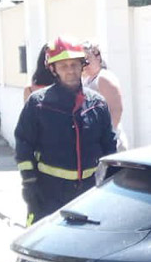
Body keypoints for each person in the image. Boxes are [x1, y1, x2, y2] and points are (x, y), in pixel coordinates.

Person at [15, 38, 118, 225]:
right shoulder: (38, 103)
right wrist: (29, 182)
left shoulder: (97, 103)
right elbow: (23, 143)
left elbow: (109, 145)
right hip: (49, 194)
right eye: (63, 66)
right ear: (53, 69)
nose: (70, 70)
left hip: (89, 192)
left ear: (82, 66)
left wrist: (110, 180)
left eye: (74, 64)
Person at [80, 40, 128, 150]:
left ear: (97, 57)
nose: (85, 63)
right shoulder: (86, 79)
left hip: (110, 142)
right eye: (82, 60)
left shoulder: (103, 78)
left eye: (88, 58)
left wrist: (106, 137)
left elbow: (116, 110)